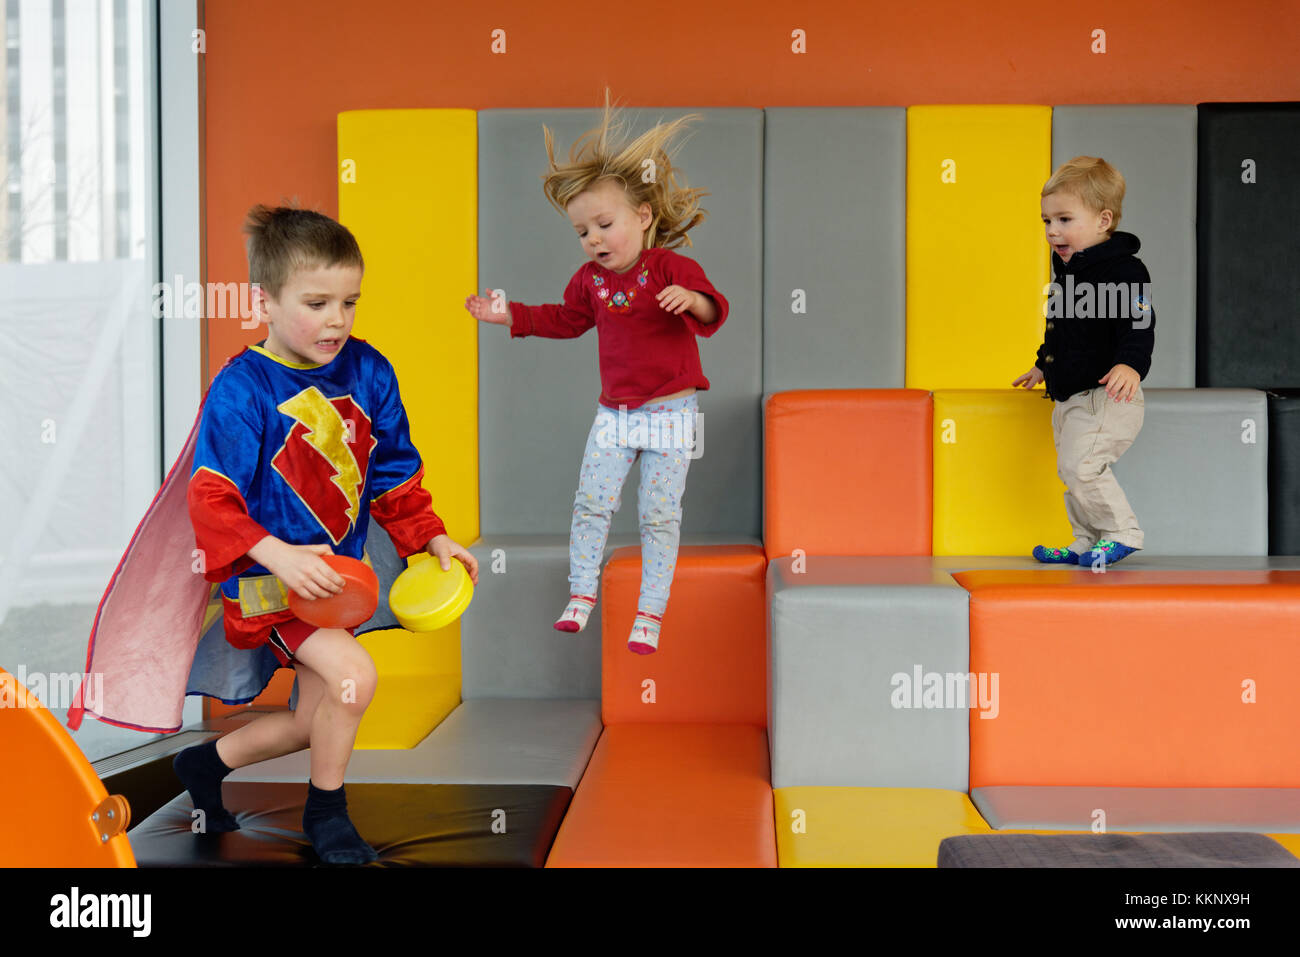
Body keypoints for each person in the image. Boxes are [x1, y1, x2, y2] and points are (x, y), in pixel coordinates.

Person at [172, 204, 478, 864]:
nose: (336, 319)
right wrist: (275, 553)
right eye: (317, 302)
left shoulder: (369, 371)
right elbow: (210, 497)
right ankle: (327, 812)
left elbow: (393, 473)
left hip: (334, 580)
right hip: (266, 581)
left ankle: (207, 764)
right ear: (265, 301)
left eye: (349, 301)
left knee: (314, 719)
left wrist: (430, 539)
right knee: (354, 676)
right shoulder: (242, 388)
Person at [466, 92, 728, 654]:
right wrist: (507, 313)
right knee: (591, 501)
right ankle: (582, 593)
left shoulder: (670, 268)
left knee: (659, 514)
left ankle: (650, 613)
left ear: (643, 216)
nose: (594, 240)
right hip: (616, 413)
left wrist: (694, 299)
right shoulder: (590, 280)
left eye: (604, 225)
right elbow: (565, 320)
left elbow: (714, 310)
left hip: (672, 412)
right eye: (583, 231)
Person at [1012, 156, 1156, 567]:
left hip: (1106, 395)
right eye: (1046, 221)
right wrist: (1044, 363)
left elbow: (1139, 319)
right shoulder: (1070, 270)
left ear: (1102, 220)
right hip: (1071, 395)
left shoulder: (1125, 270)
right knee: (1070, 470)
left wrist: (1130, 363)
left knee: (1081, 465)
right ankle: (1085, 540)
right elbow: (1062, 327)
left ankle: (1122, 531)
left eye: (1064, 219)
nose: (1052, 230)